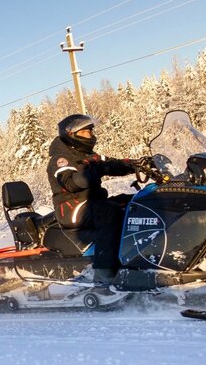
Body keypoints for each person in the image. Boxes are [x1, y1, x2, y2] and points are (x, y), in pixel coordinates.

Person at [47, 114, 139, 279]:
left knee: (133, 201)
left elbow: (112, 164)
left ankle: (135, 258)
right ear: (72, 134)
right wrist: (97, 170)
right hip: (72, 209)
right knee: (109, 212)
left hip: (92, 203)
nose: (91, 135)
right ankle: (104, 272)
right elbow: (70, 182)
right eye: (86, 132)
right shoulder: (61, 159)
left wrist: (136, 165)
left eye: (91, 131)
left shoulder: (86, 154)